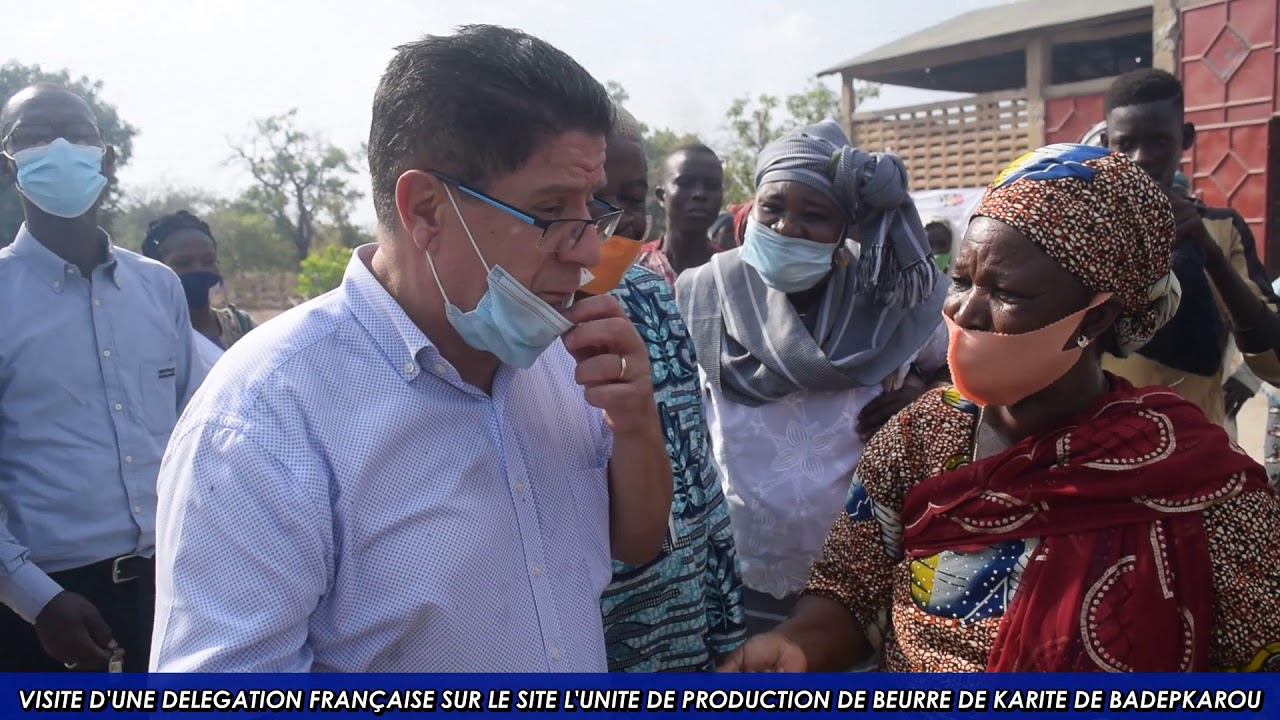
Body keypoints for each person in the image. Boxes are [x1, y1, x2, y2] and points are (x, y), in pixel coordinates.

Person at [150, 26, 672, 672]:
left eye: (592, 210)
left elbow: (636, 540)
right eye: (550, 213)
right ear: (426, 208)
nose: (591, 251)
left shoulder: (566, 355)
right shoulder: (264, 423)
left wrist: (636, 423)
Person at [722, 144, 1280, 673]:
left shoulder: (1196, 480)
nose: (965, 311)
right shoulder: (919, 438)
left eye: (1007, 293)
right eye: (961, 279)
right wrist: (795, 645)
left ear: (1095, 318)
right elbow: (847, 591)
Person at [675, 120, 948, 635]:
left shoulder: (886, 296)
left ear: (845, 228)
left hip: (861, 568)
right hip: (734, 561)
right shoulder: (703, 292)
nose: (785, 228)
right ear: (750, 210)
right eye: (772, 208)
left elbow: (960, 373)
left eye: (814, 215)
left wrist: (923, 399)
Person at [0, 84, 205, 672]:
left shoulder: (157, 287)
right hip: (48, 602)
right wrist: (36, 602)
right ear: (8, 162)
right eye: (35, 138)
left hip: (170, 580)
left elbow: (198, 435)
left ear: (106, 157)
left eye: (79, 136)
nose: (61, 150)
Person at [581, 106, 745, 672]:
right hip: (587, 637)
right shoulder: (519, 326)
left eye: (631, 198)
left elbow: (700, 480)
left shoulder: (651, 297)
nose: (619, 221)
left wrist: (727, 628)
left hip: (682, 626)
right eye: (597, 200)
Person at [1099, 68, 1280, 426]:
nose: (1141, 157)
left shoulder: (1221, 228)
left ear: (1185, 138)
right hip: (1104, 447)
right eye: (1126, 144)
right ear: (1107, 142)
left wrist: (1208, 252)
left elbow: (1272, 362)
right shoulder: (1083, 229)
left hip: (1199, 447)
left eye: (1159, 141)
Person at [141, 210, 255, 370]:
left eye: (208, 260)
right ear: (157, 270)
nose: (199, 269)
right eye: (183, 263)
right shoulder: (146, 336)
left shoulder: (241, 326)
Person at [639, 144, 725, 285]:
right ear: (662, 196)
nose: (700, 194)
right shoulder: (633, 267)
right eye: (685, 183)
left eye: (712, 185)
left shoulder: (731, 273)